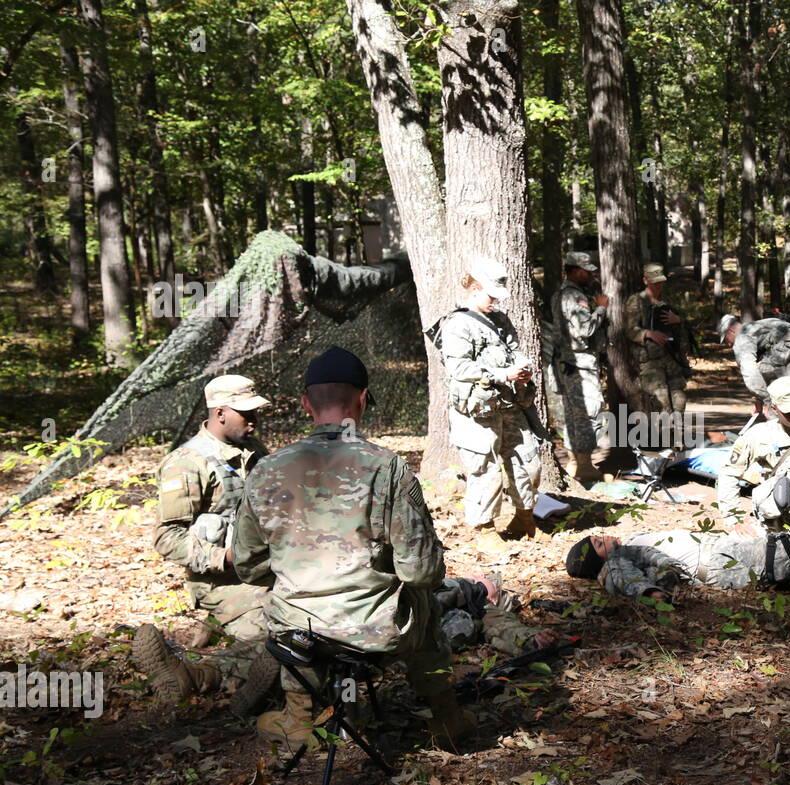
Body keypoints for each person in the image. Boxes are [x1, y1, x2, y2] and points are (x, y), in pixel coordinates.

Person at [231, 347, 473, 748]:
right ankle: (446, 714)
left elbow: (248, 566)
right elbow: (422, 571)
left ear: (306, 404)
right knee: (421, 597)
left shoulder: (266, 469)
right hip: (375, 631)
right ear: (362, 400)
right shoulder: (386, 466)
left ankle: (298, 718)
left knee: (287, 602)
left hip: (299, 633)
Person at [133, 375, 273, 708]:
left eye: (255, 412)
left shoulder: (254, 450)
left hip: (268, 569)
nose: (254, 420)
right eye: (245, 413)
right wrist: (225, 557)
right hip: (222, 582)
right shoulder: (187, 463)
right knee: (279, 638)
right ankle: (198, 676)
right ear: (220, 413)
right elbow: (167, 537)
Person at [430, 256, 542, 541]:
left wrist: (522, 368)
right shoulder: (457, 324)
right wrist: (504, 374)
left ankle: (524, 519)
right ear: (476, 288)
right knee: (485, 470)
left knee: (529, 462)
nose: (496, 302)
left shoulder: (499, 320)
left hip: (508, 405)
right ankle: (485, 531)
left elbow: (513, 349)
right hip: (477, 412)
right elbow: (459, 368)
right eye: (492, 296)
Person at [564, 529, 790, 600]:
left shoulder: (622, 551)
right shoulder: (614, 566)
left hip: (727, 554)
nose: (605, 536)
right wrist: (652, 593)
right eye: (599, 543)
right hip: (726, 562)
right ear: (599, 560)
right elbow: (625, 579)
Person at [715, 376, 790, 532]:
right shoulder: (760, 435)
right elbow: (728, 473)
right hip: (776, 528)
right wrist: (734, 518)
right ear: (774, 409)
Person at [550, 251, 608, 483]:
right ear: (573, 271)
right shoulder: (574, 296)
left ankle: (576, 462)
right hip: (580, 364)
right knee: (589, 412)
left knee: (573, 415)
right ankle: (584, 464)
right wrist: (601, 309)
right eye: (586, 271)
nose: (591, 275)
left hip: (566, 364)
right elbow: (586, 329)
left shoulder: (560, 294)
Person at [719, 311, 790, 415]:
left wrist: (768, 401)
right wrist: (759, 399)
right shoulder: (760, 325)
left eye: (726, 339)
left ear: (731, 331)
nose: (728, 344)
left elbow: (750, 372)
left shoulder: (741, 337)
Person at [630, 263, 690, 419]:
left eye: (660, 282)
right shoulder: (636, 301)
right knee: (662, 403)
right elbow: (628, 330)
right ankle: (666, 441)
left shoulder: (667, 301)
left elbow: (684, 329)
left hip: (671, 359)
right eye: (654, 282)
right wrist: (648, 333)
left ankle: (676, 438)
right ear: (645, 281)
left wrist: (678, 320)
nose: (658, 285)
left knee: (679, 400)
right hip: (650, 363)